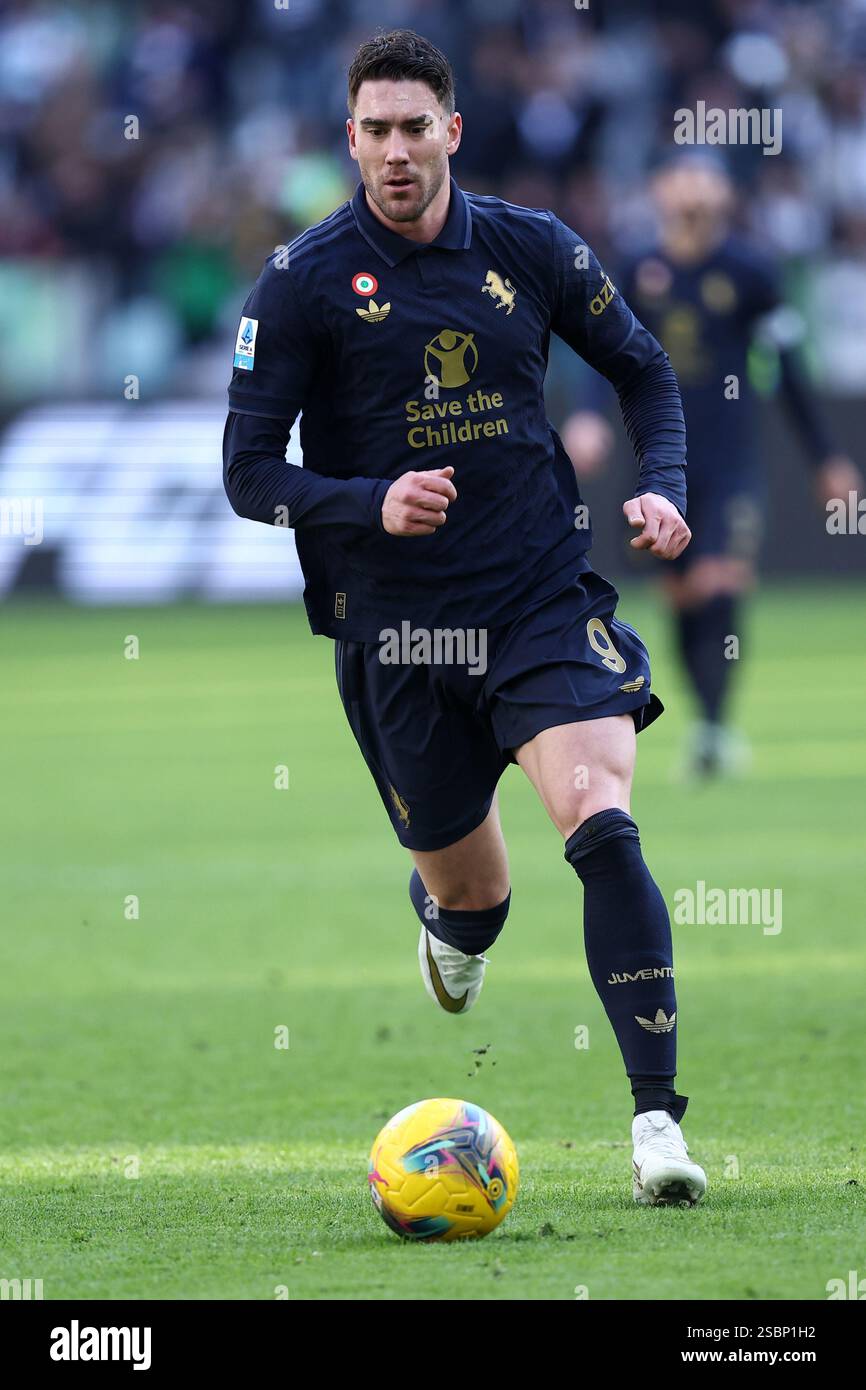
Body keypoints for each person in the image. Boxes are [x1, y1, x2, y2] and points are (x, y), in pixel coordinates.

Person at [223, 30, 705, 1206]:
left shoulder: (532, 247)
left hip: (537, 596)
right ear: (350, 140)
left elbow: (643, 372)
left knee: (599, 819)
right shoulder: (298, 283)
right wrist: (363, 504)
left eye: (413, 128)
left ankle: (655, 1124)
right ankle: (446, 919)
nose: (394, 151)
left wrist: (665, 488)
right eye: (373, 131)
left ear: (451, 131)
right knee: (476, 900)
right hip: (394, 634)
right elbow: (248, 474)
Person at [562, 155, 861, 776]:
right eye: (681, 179)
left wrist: (826, 458)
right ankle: (705, 718)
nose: (693, 192)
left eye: (706, 179)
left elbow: (790, 371)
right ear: (659, 190)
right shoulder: (639, 271)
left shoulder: (751, 273)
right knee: (681, 591)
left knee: (721, 581)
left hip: (729, 461)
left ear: (724, 194)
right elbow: (604, 355)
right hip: (657, 459)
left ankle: (716, 729)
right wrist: (589, 416)